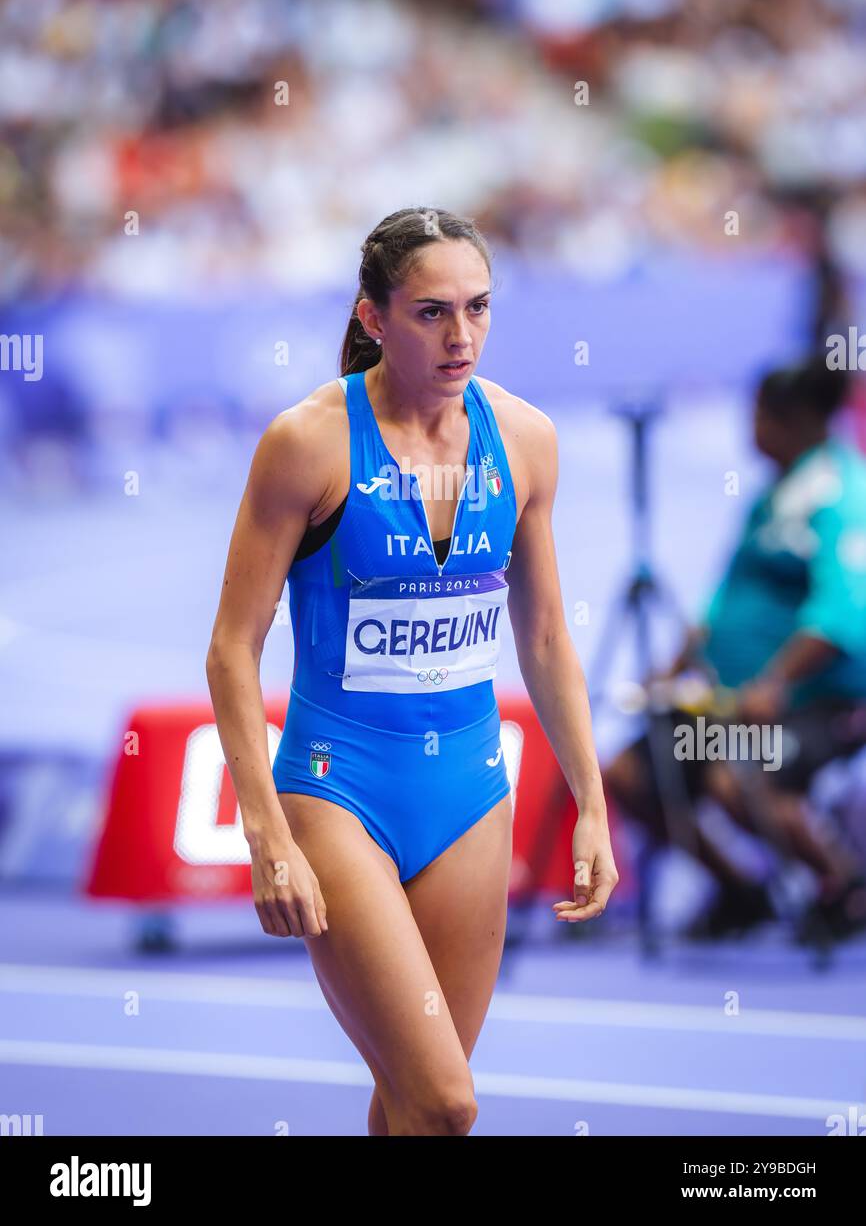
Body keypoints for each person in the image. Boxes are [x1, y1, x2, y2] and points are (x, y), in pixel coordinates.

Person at [206, 207, 617, 1136]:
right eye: (432, 312)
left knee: (408, 1110)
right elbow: (233, 647)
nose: (461, 335)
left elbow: (546, 635)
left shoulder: (526, 439)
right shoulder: (308, 443)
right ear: (373, 318)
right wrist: (268, 837)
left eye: (478, 308)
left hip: (470, 793)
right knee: (446, 1102)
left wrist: (590, 801)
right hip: (337, 791)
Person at [604, 356, 866, 941]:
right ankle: (742, 892)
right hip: (728, 701)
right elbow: (719, 608)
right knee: (624, 774)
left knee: (735, 777)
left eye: (757, 416)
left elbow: (842, 614)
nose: (750, 430)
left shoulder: (845, 496)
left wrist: (774, 684)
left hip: (819, 703)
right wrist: (668, 675)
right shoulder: (773, 499)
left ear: (792, 420)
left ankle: (845, 885)